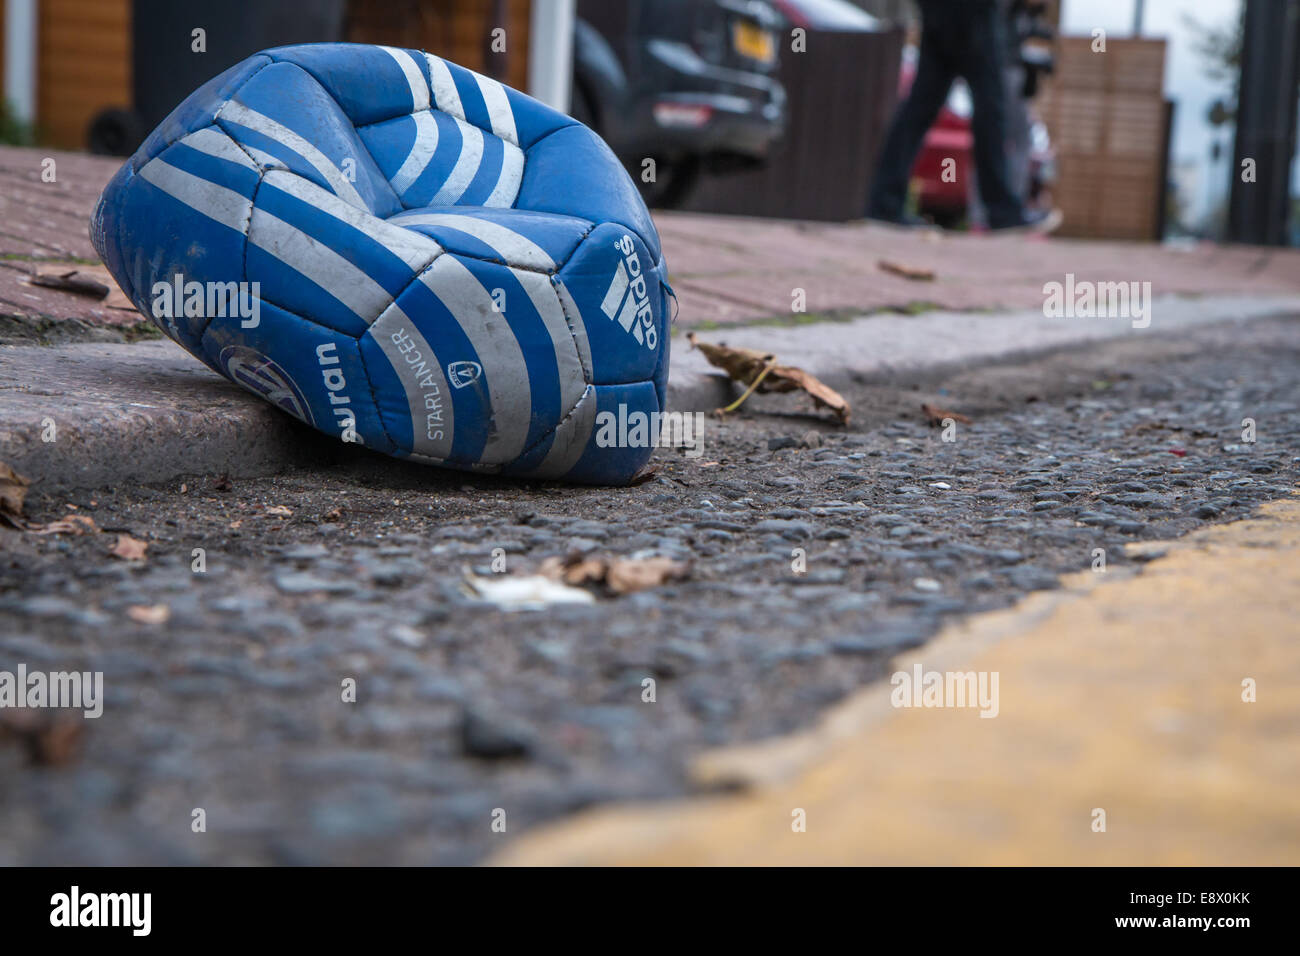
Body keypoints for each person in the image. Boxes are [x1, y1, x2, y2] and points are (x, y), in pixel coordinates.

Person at [867, 0, 1061, 233]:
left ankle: (885, 203)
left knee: (922, 104)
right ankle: (1001, 211)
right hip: (970, 9)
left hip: (942, 8)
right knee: (989, 107)